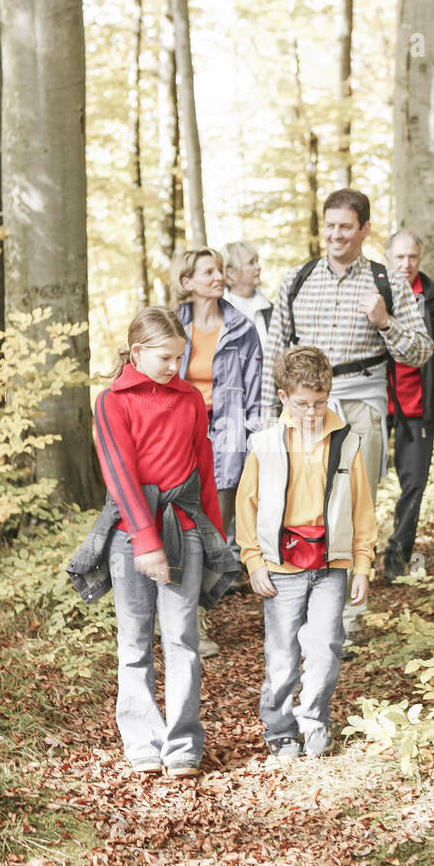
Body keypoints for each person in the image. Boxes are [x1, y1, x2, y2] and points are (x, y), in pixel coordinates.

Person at [66, 307, 238, 778]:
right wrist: (145, 542)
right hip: (129, 536)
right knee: (135, 641)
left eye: (180, 359)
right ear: (137, 352)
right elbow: (120, 475)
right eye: (165, 358)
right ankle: (143, 738)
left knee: (183, 639)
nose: (174, 369)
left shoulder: (188, 400)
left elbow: (203, 470)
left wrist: (216, 539)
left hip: (185, 530)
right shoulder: (112, 401)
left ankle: (182, 743)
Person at [259, 188, 433, 640]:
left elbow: (420, 353)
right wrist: (265, 419)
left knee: (352, 504)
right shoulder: (296, 281)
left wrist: (384, 322)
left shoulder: (385, 282)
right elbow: (274, 352)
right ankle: (300, 608)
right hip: (302, 407)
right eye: (330, 225)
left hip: (360, 402)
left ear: (364, 229)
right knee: (299, 503)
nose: (335, 235)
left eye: (345, 226)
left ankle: (346, 618)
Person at [237, 346, 377, 759]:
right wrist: (253, 561)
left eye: (319, 403)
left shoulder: (347, 442)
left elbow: (362, 507)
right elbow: (247, 505)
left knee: (327, 644)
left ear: (328, 395)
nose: (311, 412)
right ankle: (279, 727)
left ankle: (314, 719)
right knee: (282, 653)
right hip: (280, 565)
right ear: (283, 397)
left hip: (330, 564)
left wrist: (363, 564)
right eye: (301, 404)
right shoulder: (264, 444)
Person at [174, 247, 263, 655]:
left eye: (220, 270)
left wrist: (255, 444)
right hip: (179, 433)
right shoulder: (171, 325)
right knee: (179, 524)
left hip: (227, 436)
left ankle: (197, 614)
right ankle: (183, 618)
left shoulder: (242, 328)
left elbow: (256, 396)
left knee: (216, 527)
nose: (218, 276)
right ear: (187, 282)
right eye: (208, 271)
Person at [383, 230, 434, 580]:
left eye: (412, 257)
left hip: (419, 407)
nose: (406, 264)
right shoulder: (375, 295)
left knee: (414, 484)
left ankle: (396, 558)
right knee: (357, 481)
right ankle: (353, 556)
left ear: (420, 259)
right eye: (399, 257)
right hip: (376, 403)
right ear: (388, 257)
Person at [221, 240, 273, 350]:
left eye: (257, 261)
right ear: (231, 273)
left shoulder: (271, 310)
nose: (258, 267)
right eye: (251, 263)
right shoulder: (218, 311)